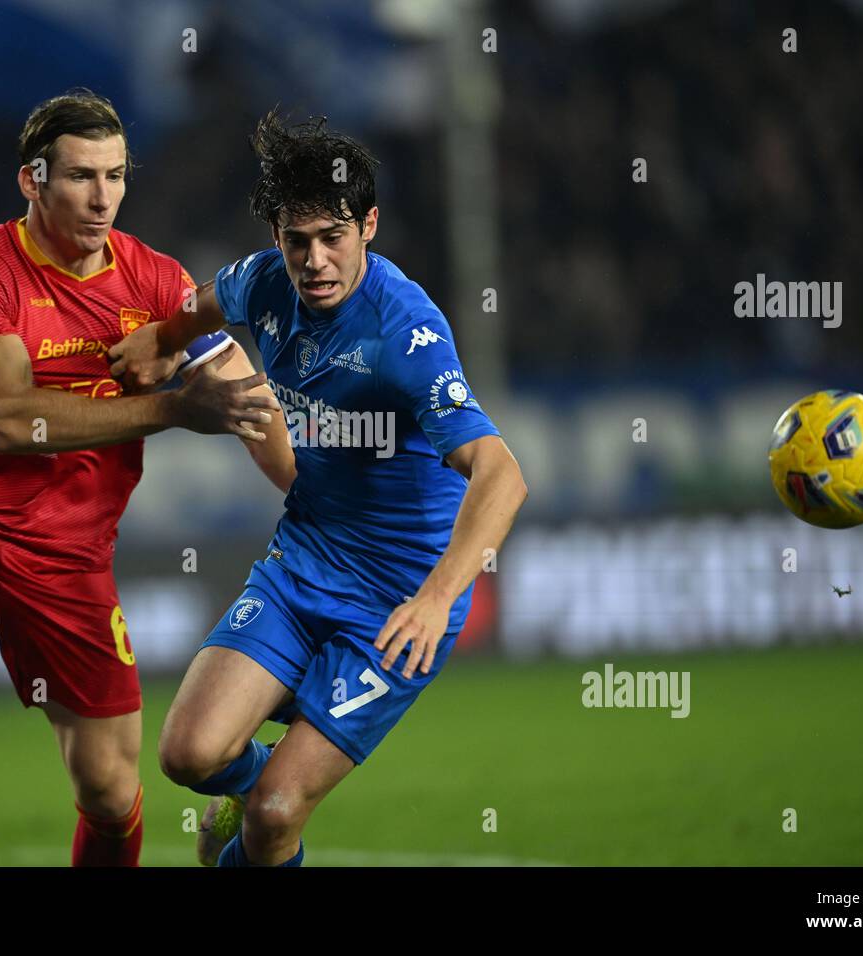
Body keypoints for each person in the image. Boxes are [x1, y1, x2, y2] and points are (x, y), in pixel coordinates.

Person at [0, 89, 292, 867]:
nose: (102, 197)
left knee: (111, 793)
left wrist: (321, 504)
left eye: (116, 176)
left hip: (69, 559)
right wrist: (173, 411)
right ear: (32, 180)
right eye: (82, 176)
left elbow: (247, 403)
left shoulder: (154, 284)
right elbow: (8, 420)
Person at [109, 110, 528, 866]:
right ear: (277, 236)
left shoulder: (404, 335)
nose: (315, 260)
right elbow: (209, 300)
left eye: (333, 236)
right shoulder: (264, 282)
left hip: (394, 602)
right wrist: (163, 340)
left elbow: (502, 473)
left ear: (369, 225)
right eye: (296, 240)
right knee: (187, 754)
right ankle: (260, 786)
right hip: (302, 561)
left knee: (274, 817)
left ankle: (267, 801)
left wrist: (436, 599)